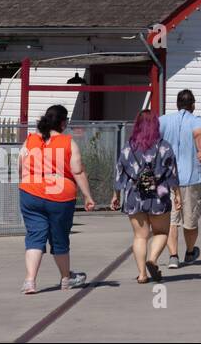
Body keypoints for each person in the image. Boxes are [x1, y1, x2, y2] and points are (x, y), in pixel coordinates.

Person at [18, 105, 96, 294]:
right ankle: (65, 278)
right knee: (59, 238)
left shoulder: (30, 140)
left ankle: (30, 281)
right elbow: (77, 171)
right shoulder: (68, 142)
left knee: (35, 237)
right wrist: (87, 196)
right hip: (60, 196)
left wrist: (25, 184)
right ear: (63, 123)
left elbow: (21, 165)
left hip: (31, 192)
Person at [110, 108, 178, 284]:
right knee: (161, 232)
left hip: (134, 195)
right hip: (159, 195)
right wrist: (177, 194)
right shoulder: (164, 147)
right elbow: (172, 173)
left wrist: (116, 195)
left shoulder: (128, 147)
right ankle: (153, 259)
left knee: (140, 236)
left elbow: (119, 172)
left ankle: (142, 274)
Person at [159, 89, 201, 269]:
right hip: (190, 178)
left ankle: (173, 257)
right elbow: (199, 135)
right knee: (190, 221)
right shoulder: (197, 120)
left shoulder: (163, 120)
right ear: (193, 105)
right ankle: (189, 251)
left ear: (177, 104)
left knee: (172, 221)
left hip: (166, 179)